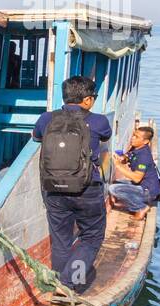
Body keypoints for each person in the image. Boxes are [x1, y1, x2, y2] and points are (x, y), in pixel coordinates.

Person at [32, 75, 111, 292]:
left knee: (61, 240)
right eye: (93, 96)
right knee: (91, 238)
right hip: (87, 189)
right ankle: (69, 285)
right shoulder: (99, 121)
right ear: (86, 100)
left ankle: (59, 283)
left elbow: (36, 136)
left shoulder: (46, 118)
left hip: (53, 188)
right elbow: (105, 137)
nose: (93, 100)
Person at [109, 125, 160, 217]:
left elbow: (137, 178)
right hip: (143, 185)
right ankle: (139, 201)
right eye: (133, 135)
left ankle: (140, 207)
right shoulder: (137, 148)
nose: (132, 138)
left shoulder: (144, 156)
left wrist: (118, 165)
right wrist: (122, 158)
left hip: (148, 190)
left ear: (145, 141)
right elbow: (129, 156)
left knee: (113, 189)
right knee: (116, 182)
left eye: (136, 137)